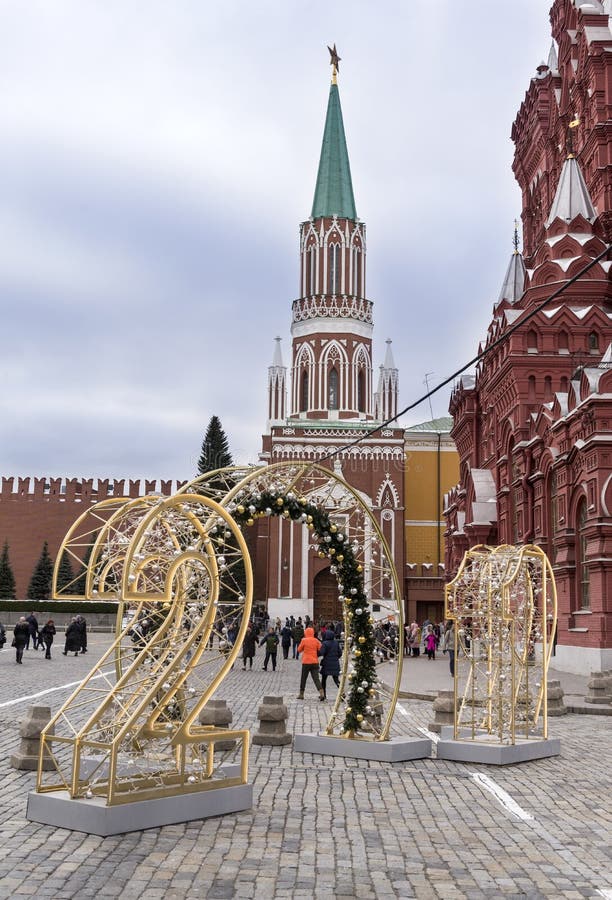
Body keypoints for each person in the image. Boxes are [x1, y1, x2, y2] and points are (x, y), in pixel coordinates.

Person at [297, 626, 324, 700]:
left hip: (306, 662)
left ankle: (301, 694)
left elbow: (299, 650)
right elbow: (321, 649)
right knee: (316, 679)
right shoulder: (316, 640)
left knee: (303, 678)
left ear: (305, 633)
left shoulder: (304, 640)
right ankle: (321, 692)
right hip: (314, 661)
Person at [318, 627, 341, 700]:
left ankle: (323, 695)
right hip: (335, 663)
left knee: (324, 680)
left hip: (326, 663)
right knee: (336, 680)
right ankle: (342, 693)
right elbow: (340, 653)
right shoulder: (336, 643)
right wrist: (335, 658)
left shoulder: (325, 643)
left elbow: (322, 652)